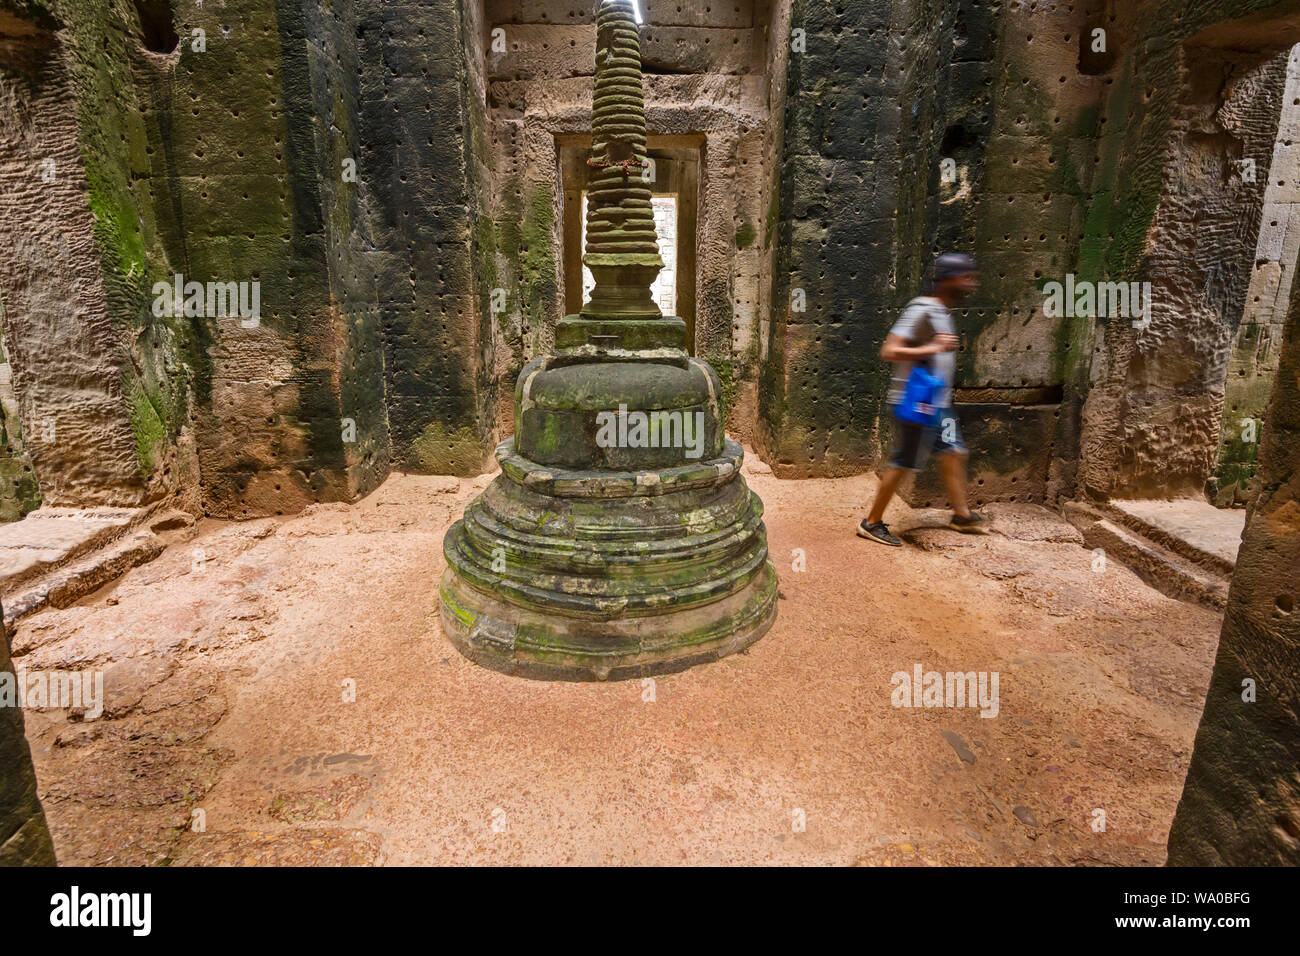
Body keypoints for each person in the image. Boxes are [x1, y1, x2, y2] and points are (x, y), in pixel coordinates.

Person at [858, 253, 988, 546]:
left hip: (937, 404)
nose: (971, 283)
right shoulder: (921, 309)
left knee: (954, 451)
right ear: (947, 278)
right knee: (904, 462)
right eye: (966, 277)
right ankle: (871, 522)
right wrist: (931, 347)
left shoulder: (942, 311)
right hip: (915, 403)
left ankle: (961, 515)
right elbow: (889, 351)